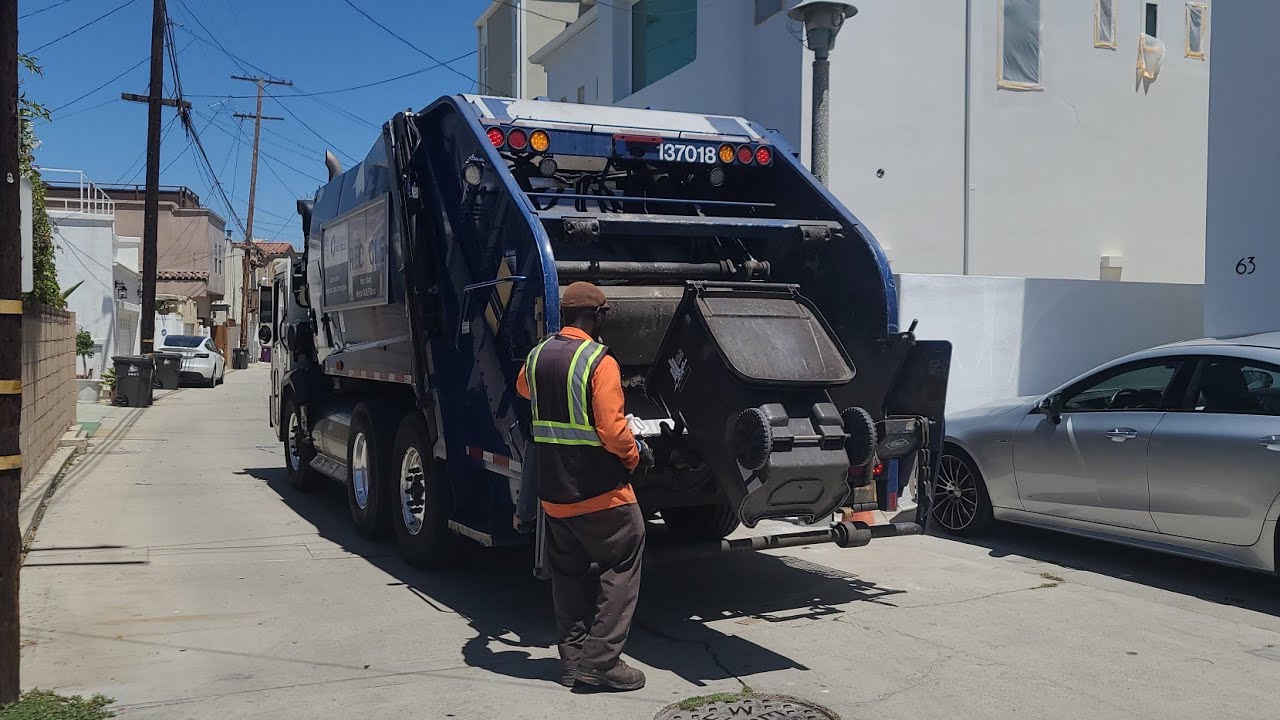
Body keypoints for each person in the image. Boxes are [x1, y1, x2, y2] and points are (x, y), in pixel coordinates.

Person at [515, 281, 654, 691]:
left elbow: (524, 388)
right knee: (624, 557)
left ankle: (573, 660)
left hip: (554, 494)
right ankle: (600, 662)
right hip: (600, 491)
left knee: (568, 574)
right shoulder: (600, 361)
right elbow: (611, 429)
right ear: (596, 317)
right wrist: (634, 455)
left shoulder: (536, 356)